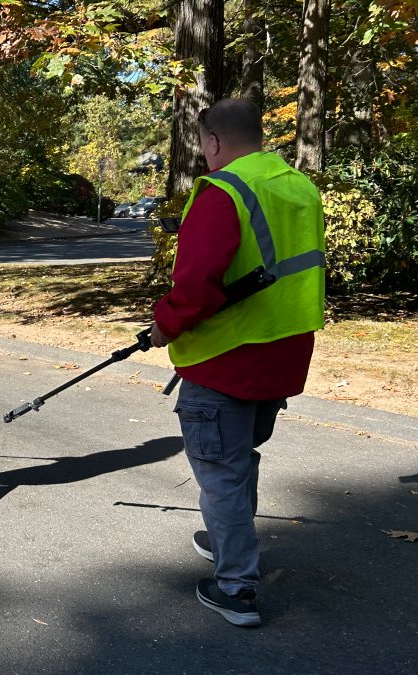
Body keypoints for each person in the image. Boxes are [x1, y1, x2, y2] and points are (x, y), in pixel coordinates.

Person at [149, 99, 326, 627]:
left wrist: (164, 323)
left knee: (221, 472)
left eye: (202, 145)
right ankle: (230, 537)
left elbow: (196, 286)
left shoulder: (224, 191)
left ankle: (236, 589)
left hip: (225, 357)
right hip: (284, 353)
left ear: (213, 141)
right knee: (238, 456)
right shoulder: (298, 187)